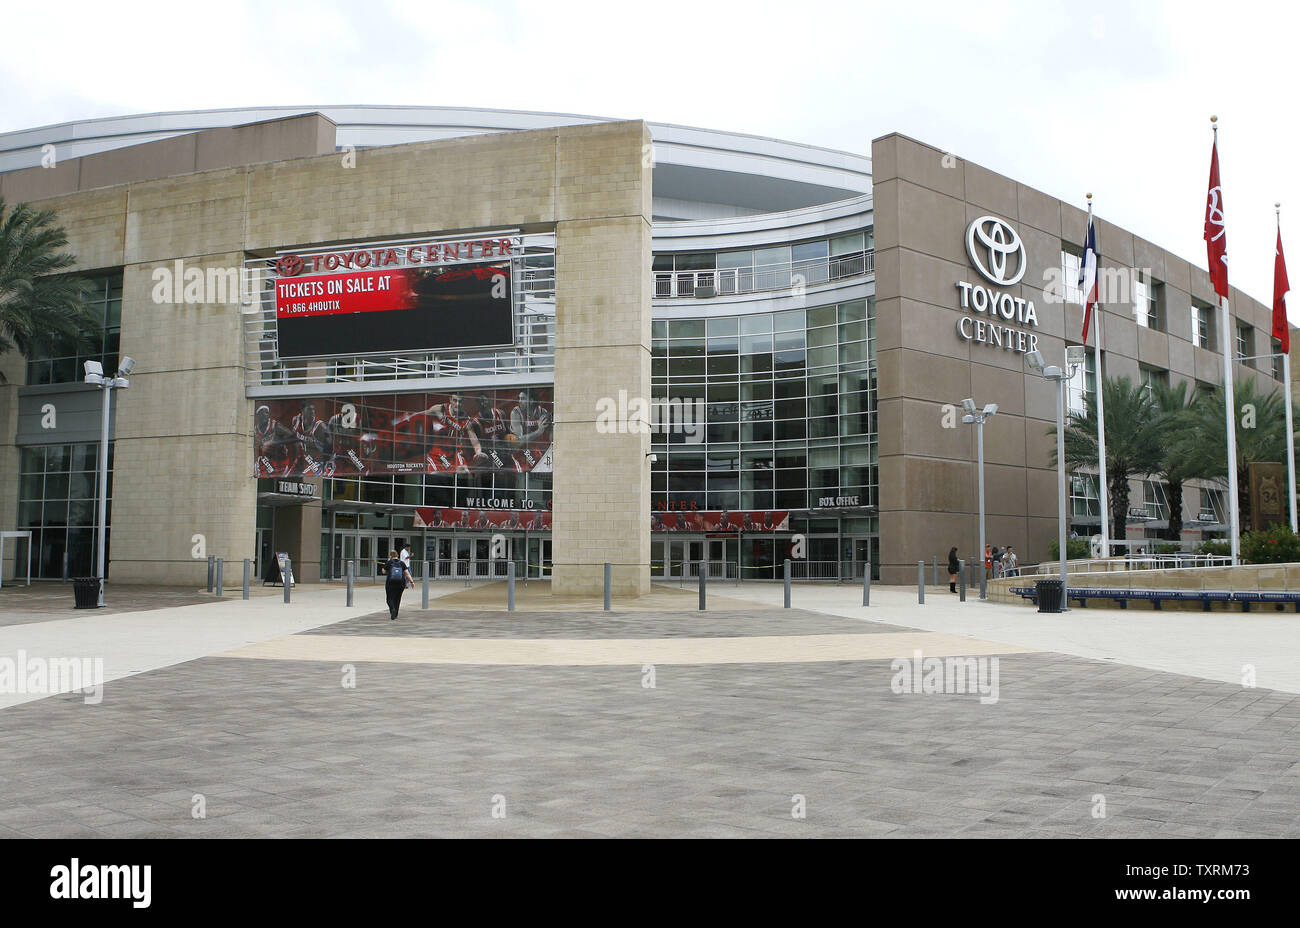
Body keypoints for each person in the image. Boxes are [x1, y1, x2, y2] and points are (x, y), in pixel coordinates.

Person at [382, 549, 414, 621]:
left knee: (389, 598)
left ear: (391, 555)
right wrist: (412, 582)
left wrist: (386, 563)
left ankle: (392, 609)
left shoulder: (389, 562)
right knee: (397, 598)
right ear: (397, 555)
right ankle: (395, 614)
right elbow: (407, 573)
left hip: (391, 583)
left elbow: (383, 571)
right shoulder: (402, 563)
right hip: (401, 583)